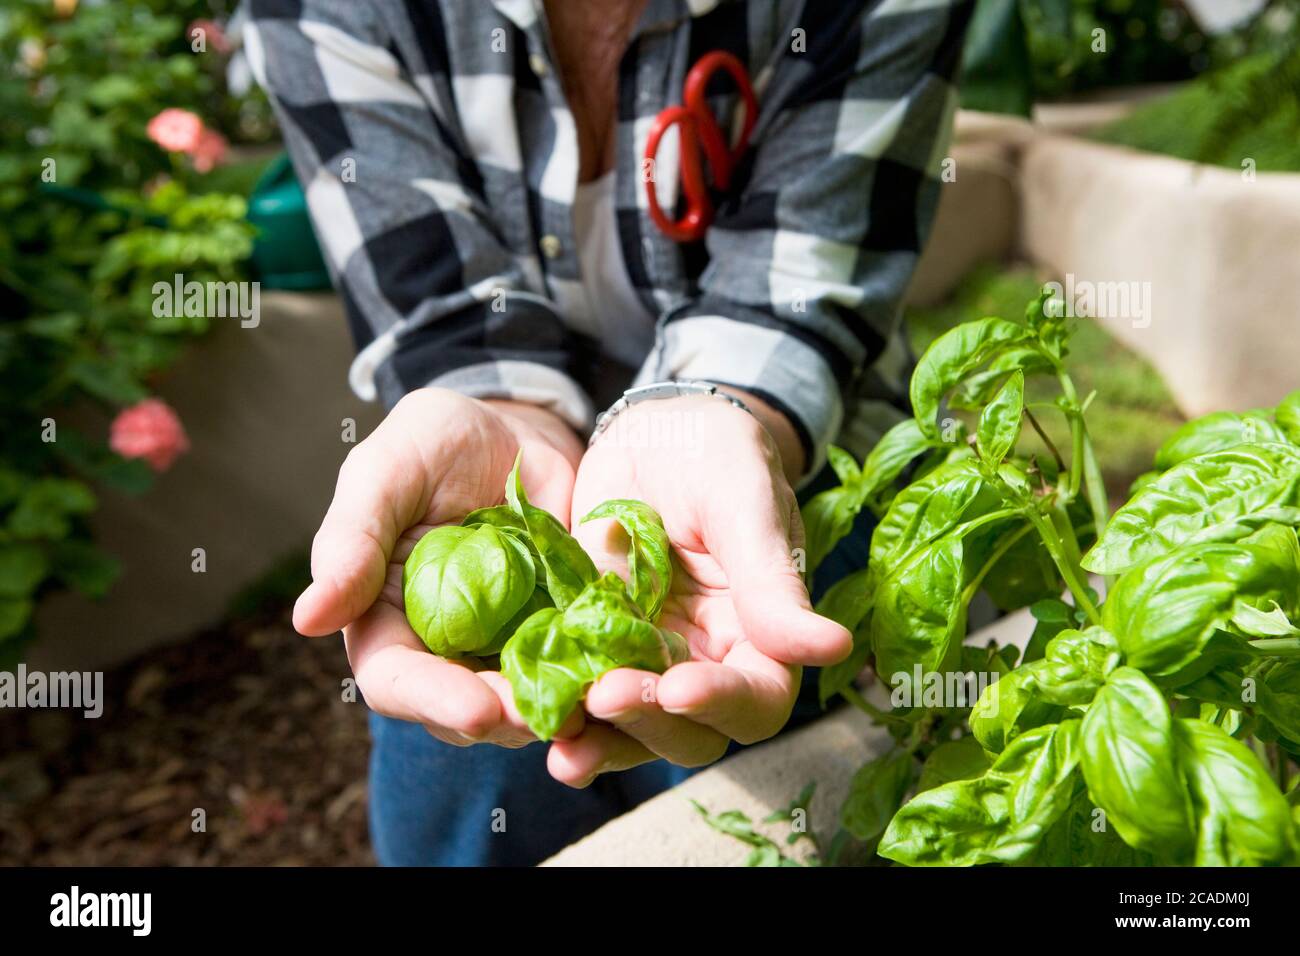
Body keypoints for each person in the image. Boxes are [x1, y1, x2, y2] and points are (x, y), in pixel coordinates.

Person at [246, 0, 971, 865]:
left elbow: (793, 285)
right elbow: (436, 301)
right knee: (459, 776)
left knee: (729, 779)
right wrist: (503, 416)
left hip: (783, 450)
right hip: (501, 480)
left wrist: (717, 417)